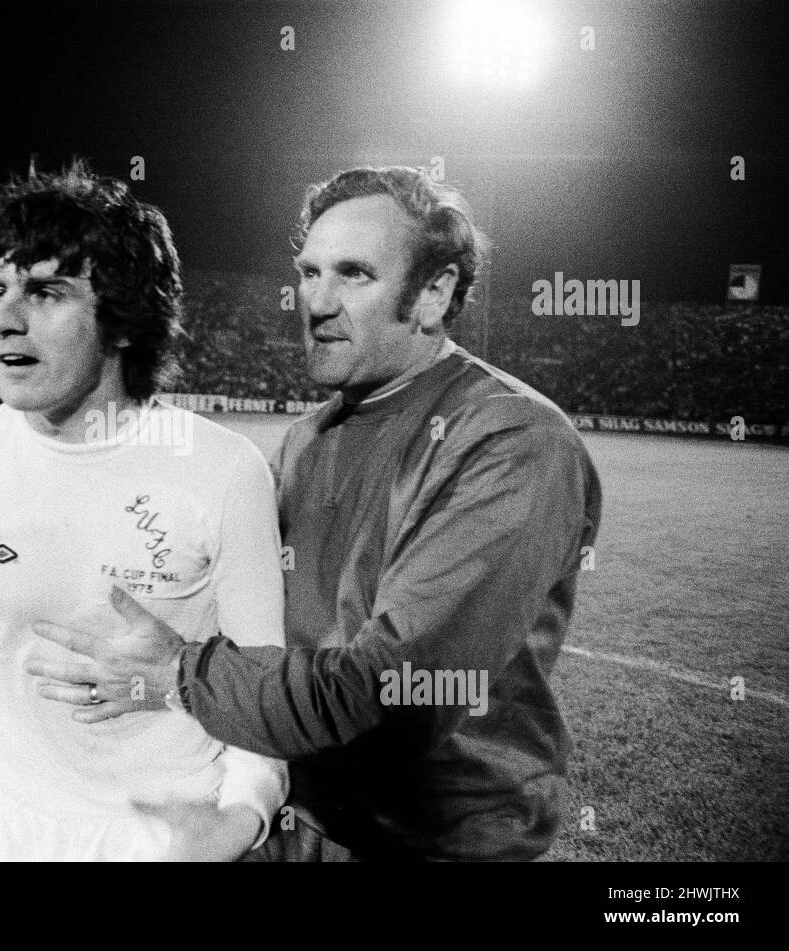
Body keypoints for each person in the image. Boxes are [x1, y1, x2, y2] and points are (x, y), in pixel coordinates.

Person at [30, 165, 604, 861]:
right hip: (299, 821)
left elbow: (397, 696)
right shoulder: (306, 440)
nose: (316, 300)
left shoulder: (510, 439)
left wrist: (177, 673)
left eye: (354, 274)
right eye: (309, 271)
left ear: (434, 292)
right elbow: (253, 628)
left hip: (434, 845)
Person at [0, 160, 288, 861]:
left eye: (46, 292)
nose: (5, 319)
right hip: (5, 829)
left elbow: (260, 687)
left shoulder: (224, 470)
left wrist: (240, 819)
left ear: (121, 320)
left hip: (172, 835)